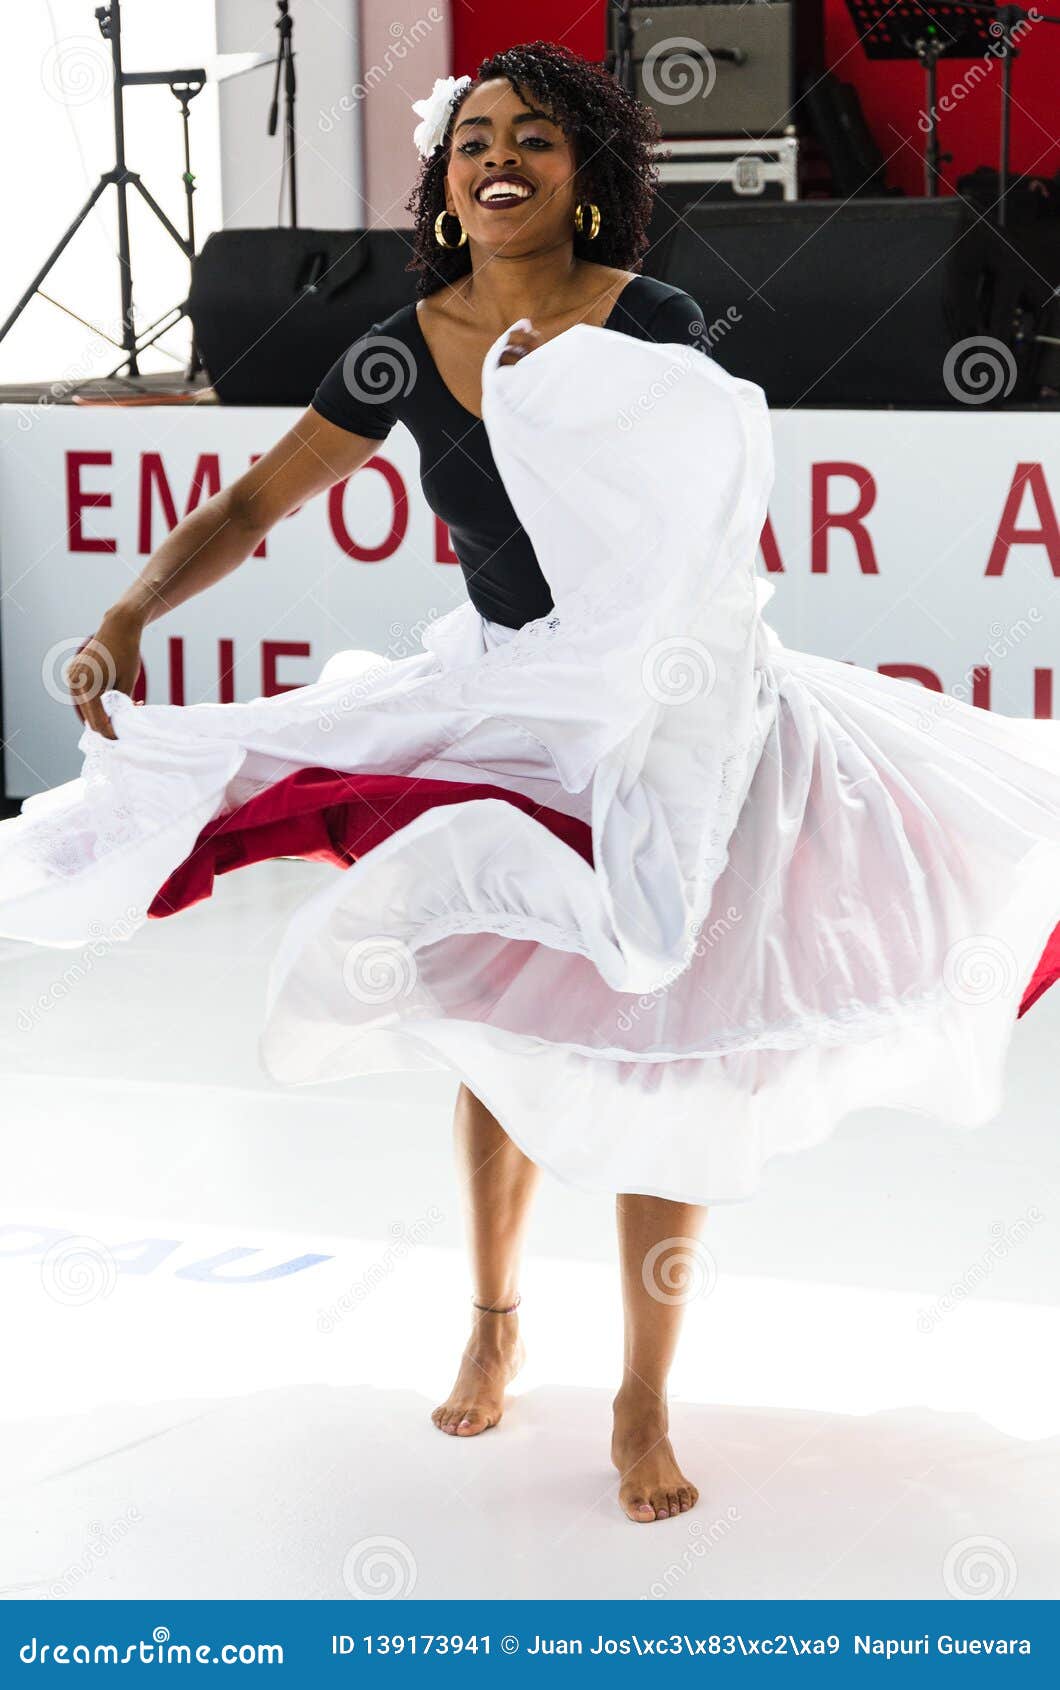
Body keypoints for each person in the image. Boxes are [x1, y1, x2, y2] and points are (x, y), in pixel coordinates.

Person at [2, 41, 1059, 1530]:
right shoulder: (399, 342)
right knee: (498, 1005)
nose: (500, 157)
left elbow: (702, 518)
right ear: (441, 178)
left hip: (672, 712)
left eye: (538, 141)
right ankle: (496, 1315)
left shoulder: (653, 323)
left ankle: (641, 1397)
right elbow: (253, 500)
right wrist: (129, 611)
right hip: (508, 700)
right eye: (474, 137)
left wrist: (659, 687)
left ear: (586, 180)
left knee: (657, 1034)